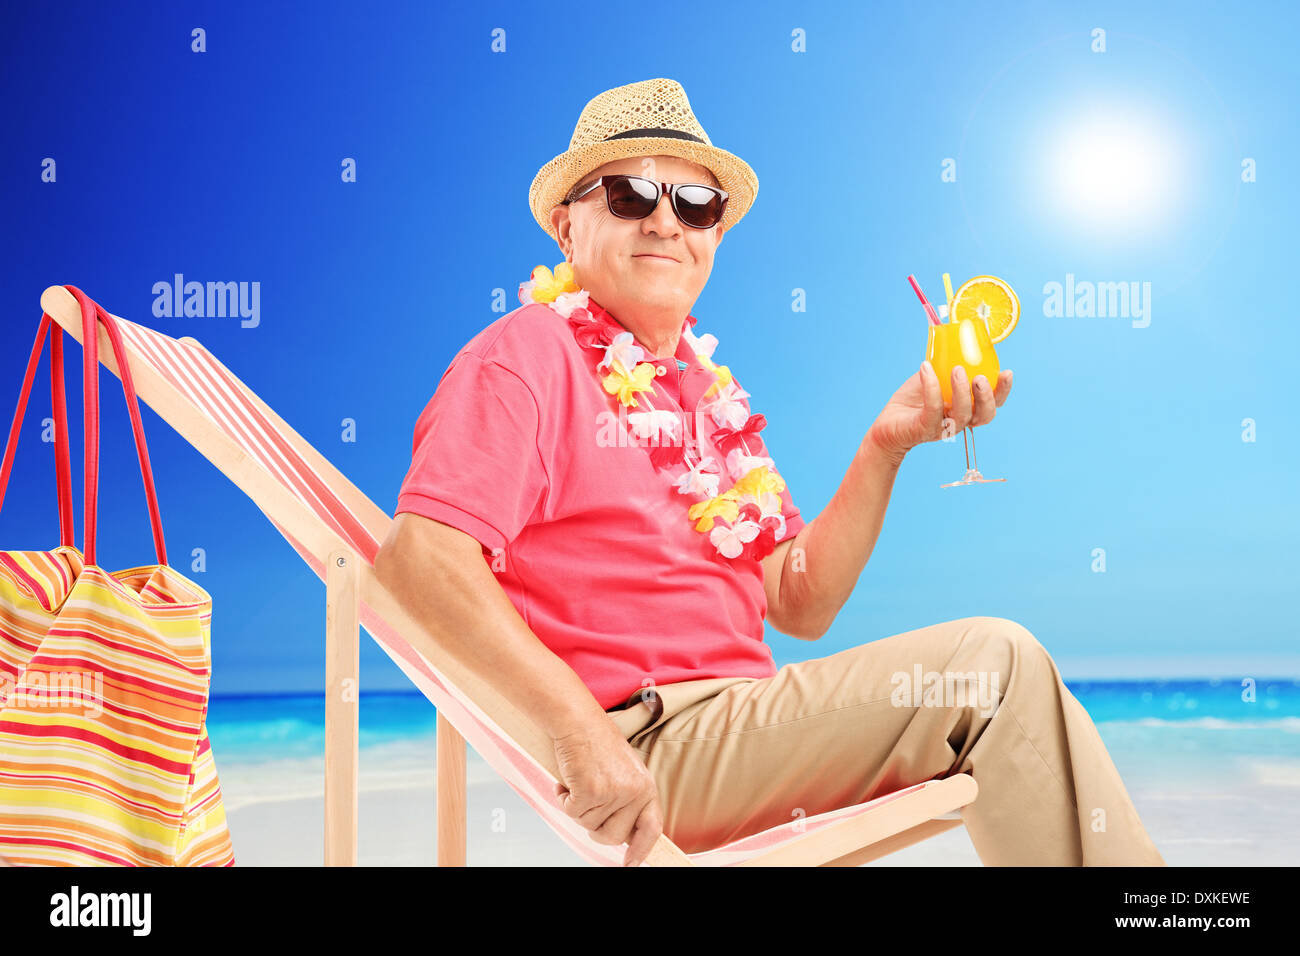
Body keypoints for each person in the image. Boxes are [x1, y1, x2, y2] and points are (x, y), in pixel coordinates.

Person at [374, 78, 1165, 867]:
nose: (664, 221)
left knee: (999, 685)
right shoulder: (523, 357)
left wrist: (885, 445)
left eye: (695, 205)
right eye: (629, 194)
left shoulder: (705, 393)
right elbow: (420, 563)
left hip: (738, 726)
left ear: (714, 235)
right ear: (565, 224)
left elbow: (799, 600)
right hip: (645, 751)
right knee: (991, 668)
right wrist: (580, 733)